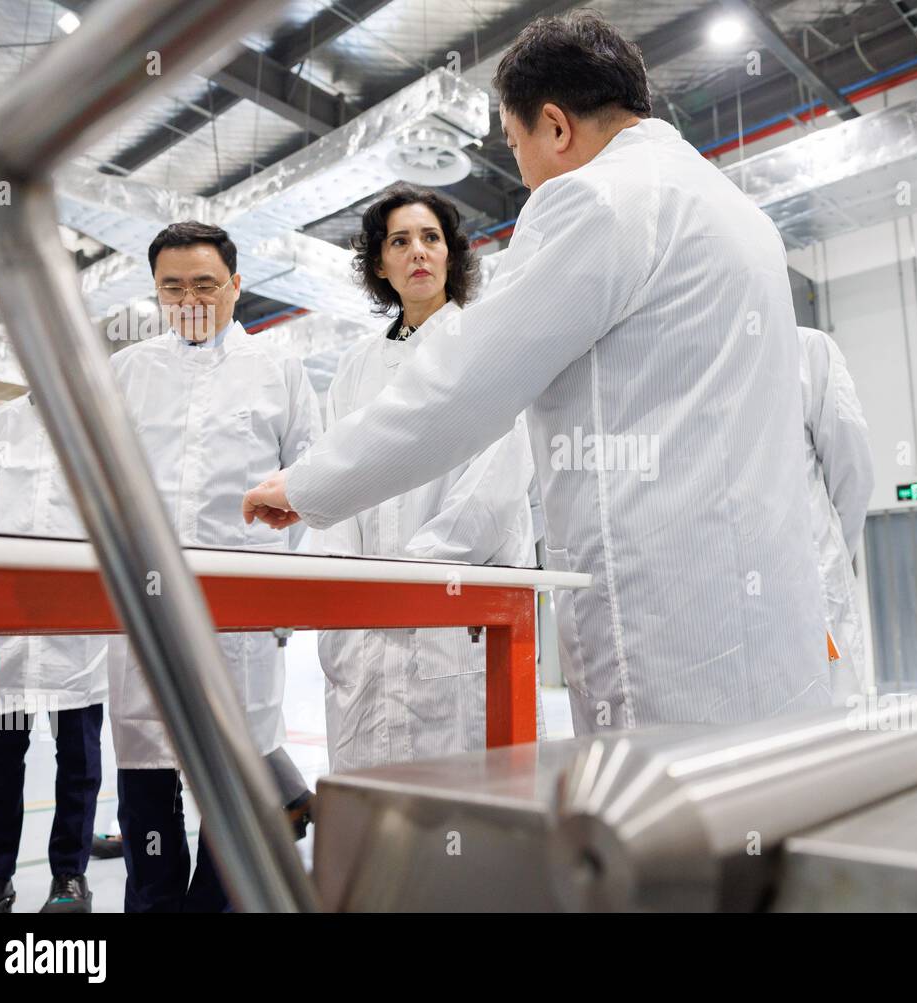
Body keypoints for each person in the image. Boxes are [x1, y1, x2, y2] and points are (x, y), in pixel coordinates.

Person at [244, 11, 828, 734]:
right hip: (770, 620)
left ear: (554, 126)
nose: (522, 174)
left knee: (660, 829)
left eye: (516, 146)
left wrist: (305, 485)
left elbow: (465, 389)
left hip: (669, 631)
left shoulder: (597, 198)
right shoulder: (733, 210)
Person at [108, 221, 321, 911]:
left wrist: (286, 595)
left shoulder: (278, 371)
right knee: (147, 792)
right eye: (173, 287)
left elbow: (312, 482)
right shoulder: (129, 372)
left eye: (205, 283)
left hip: (241, 619)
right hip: (148, 617)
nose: (190, 298)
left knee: (237, 797)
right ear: (156, 293)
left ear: (236, 285)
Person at [317, 184, 537, 769]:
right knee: (374, 806)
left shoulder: (486, 346)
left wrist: (412, 574)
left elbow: (495, 484)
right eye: (400, 241)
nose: (417, 251)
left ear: (450, 256)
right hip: (365, 623)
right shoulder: (355, 369)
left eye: (431, 238)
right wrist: (343, 585)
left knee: (465, 795)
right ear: (380, 265)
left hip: (450, 609)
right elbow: (331, 477)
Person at [0, 395, 106, 913]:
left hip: (78, 622)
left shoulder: (100, 424)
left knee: (79, 761)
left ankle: (69, 878)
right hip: (9, 625)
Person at [798, 326, 874, 704]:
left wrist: (831, 558)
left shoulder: (804, 349)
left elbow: (852, 475)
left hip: (811, 589)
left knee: (828, 717)